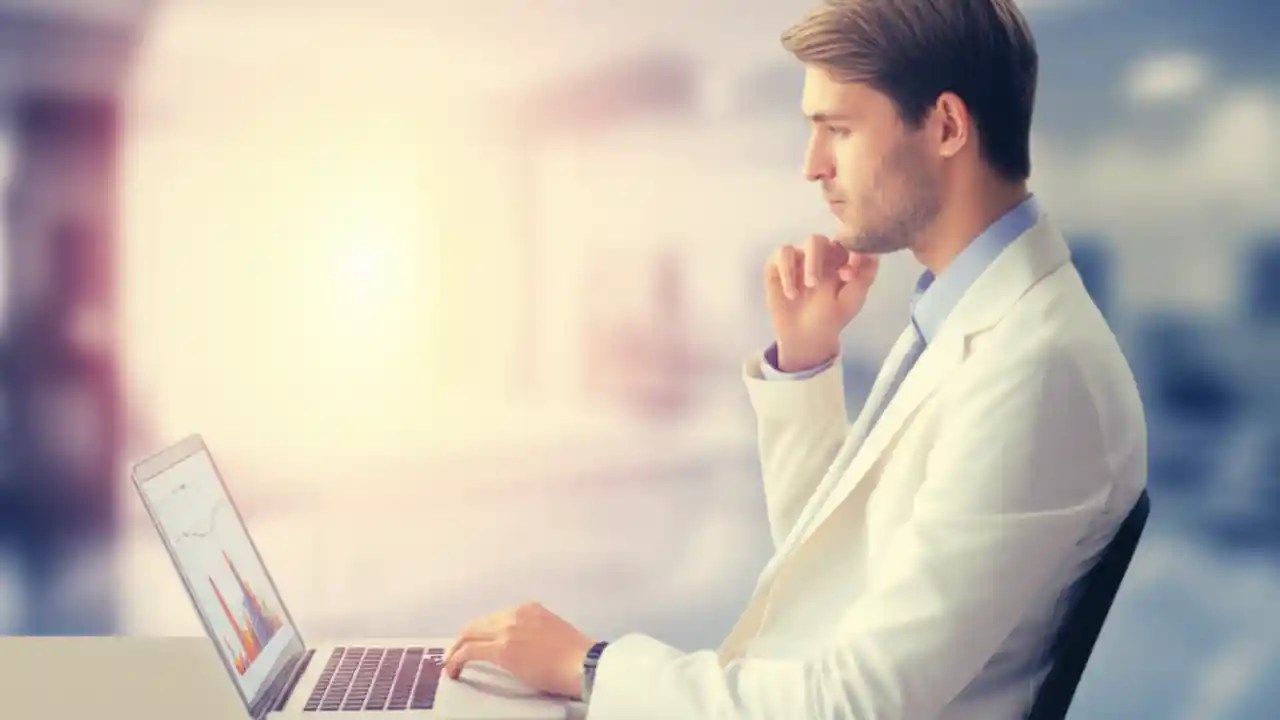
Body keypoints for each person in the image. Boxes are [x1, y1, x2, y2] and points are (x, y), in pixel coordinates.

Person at [441, 1, 1149, 717]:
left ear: (945, 126)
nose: (812, 166)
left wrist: (589, 666)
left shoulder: (1036, 367)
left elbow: (852, 703)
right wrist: (807, 364)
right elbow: (841, 568)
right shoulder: (961, 312)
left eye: (838, 129)